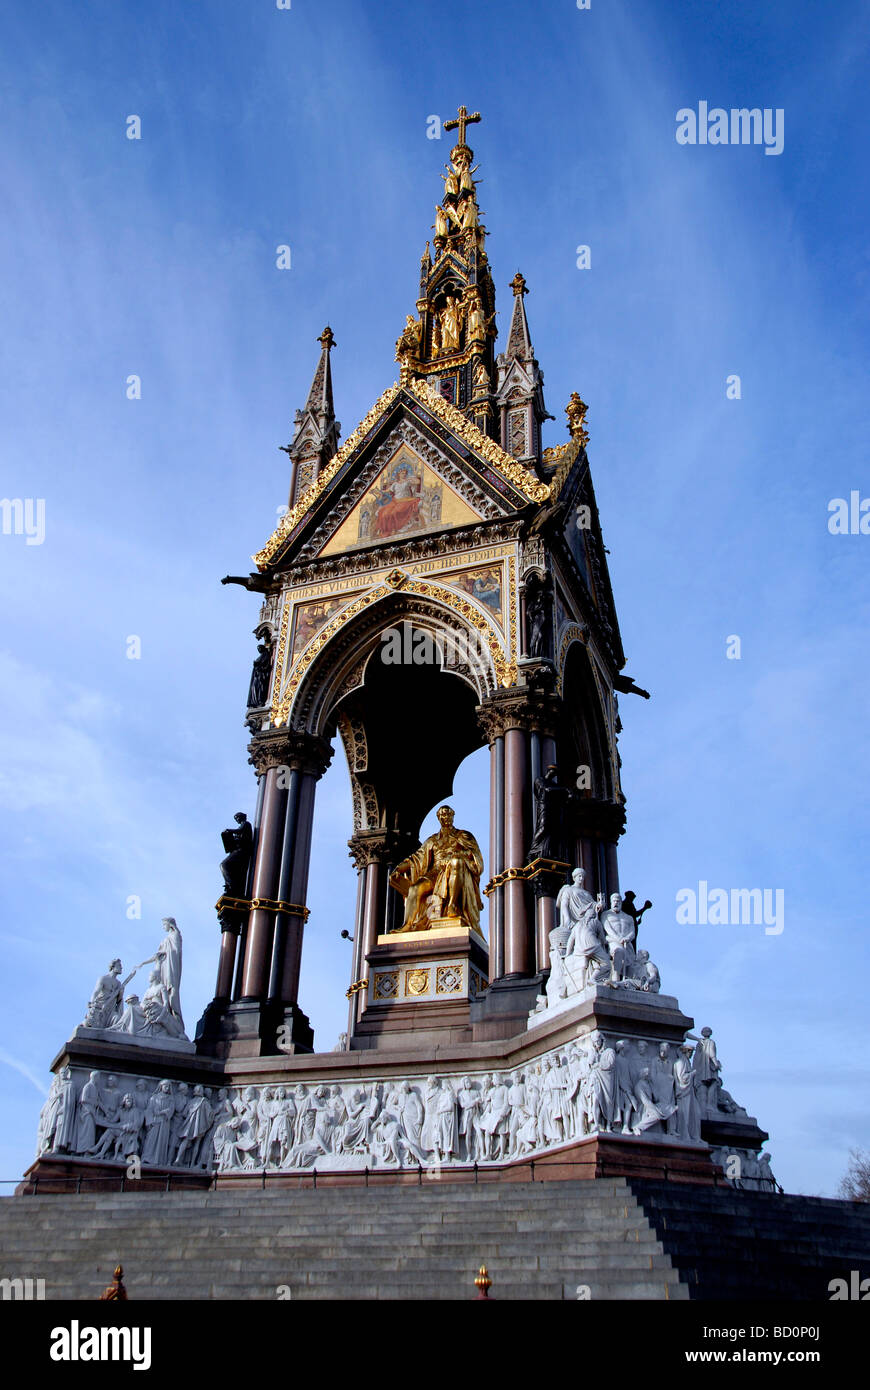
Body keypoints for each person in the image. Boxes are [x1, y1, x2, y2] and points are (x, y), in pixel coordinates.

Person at [390, 806, 484, 934]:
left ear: (453, 816)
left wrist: (455, 857)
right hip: (434, 873)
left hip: (453, 869)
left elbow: (473, 855)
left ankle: (452, 905)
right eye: (443, 815)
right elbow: (416, 858)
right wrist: (399, 869)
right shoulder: (432, 840)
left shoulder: (463, 836)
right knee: (415, 889)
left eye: (448, 815)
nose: (446, 818)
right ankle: (408, 925)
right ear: (439, 818)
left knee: (456, 863)